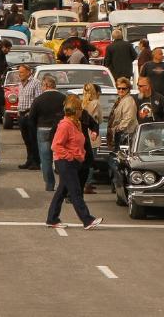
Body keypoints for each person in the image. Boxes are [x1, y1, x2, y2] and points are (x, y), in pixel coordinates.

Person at [45, 94, 101, 230]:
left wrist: (79, 156)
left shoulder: (76, 123)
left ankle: (52, 218)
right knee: (75, 191)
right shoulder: (65, 125)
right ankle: (87, 220)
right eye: (80, 108)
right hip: (65, 162)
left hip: (72, 161)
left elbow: (79, 141)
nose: (82, 110)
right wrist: (70, 156)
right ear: (76, 110)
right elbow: (55, 145)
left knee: (62, 191)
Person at [30, 76, 66, 191]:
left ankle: (49, 184)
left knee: (46, 159)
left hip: (43, 129)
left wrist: (36, 126)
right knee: (61, 157)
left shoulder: (39, 99)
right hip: (60, 129)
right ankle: (63, 184)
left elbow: (32, 117)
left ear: (45, 85)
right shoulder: (63, 98)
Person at [107, 77, 138, 191]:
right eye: (118, 88)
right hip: (120, 133)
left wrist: (117, 129)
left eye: (123, 89)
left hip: (126, 134)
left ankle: (119, 184)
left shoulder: (128, 101)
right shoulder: (120, 100)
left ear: (128, 89)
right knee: (115, 158)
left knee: (117, 160)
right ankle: (117, 184)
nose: (120, 90)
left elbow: (128, 118)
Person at [15, 64, 42, 170]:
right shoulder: (20, 84)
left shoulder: (36, 83)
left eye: (21, 72)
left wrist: (31, 112)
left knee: (33, 139)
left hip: (30, 115)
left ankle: (36, 161)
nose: (19, 74)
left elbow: (38, 100)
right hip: (21, 114)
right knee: (26, 140)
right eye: (19, 72)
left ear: (28, 72)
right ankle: (29, 160)